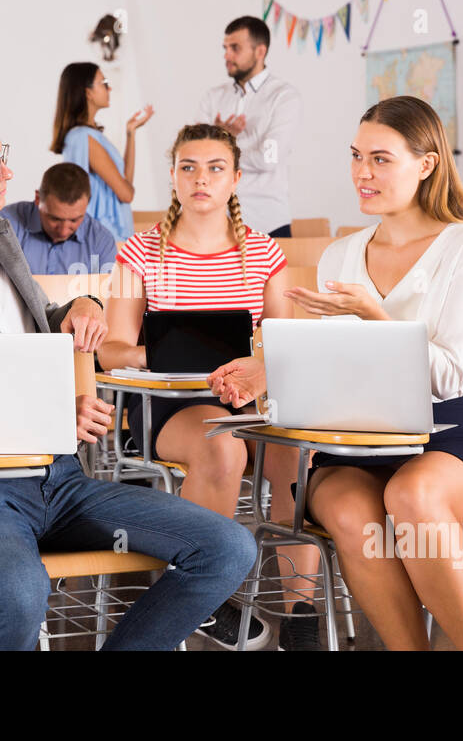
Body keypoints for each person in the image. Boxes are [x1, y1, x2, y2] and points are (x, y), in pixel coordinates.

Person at [0, 91, 255, 651]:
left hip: (59, 478)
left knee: (228, 549)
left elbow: (43, 320)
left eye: (1, 153)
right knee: (20, 591)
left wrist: (84, 303)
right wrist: (44, 409)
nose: (8, 171)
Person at [211, 96, 463, 650]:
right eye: (356, 156)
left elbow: (449, 378)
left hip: (446, 433)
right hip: (355, 440)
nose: (361, 173)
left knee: (413, 496)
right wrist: (269, 370)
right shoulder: (341, 255)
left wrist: (378, 318)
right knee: (350, 512)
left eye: (380, 159)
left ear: (426, 165)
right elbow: (334, 364)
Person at [97, 122, 297, 650]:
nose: (200, 178)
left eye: (214, 168)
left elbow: (284, 344)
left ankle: (304, 615)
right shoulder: (138, 251)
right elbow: (112, 348)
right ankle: (203, 591)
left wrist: (251, 368)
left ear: (234, 179)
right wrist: (170, 352)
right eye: (188, 167)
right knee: (224, 445)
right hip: (167, 407)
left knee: (297, 455)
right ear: (173, 177)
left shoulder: (264, 254)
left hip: (246, 398)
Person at [196, 16, 303, 237]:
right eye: (225, 48)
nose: (227, 55)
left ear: (260, 52)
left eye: (235, 48)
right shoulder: (213, 97)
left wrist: (221, 143)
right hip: (215, 224)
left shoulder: (284, 97)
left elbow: (268, 159)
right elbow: (196, 156)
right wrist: (222, 144)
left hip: (269, 223)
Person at [50, 62, 153, 241]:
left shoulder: (86, 136)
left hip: (108, 234)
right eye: (104, 82)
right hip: (107, 235)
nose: (109, 88)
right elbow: (126, 194)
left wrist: (131, 132)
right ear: (87, 92)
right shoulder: (84, 137)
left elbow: (125, 183)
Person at [0, 162, 118, 276]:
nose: (63, 231)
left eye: (74, 220)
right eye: (55, 219)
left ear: (87, 204)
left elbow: (106, 294)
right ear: (38, 199)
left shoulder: (101, 241)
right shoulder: (4, 226)